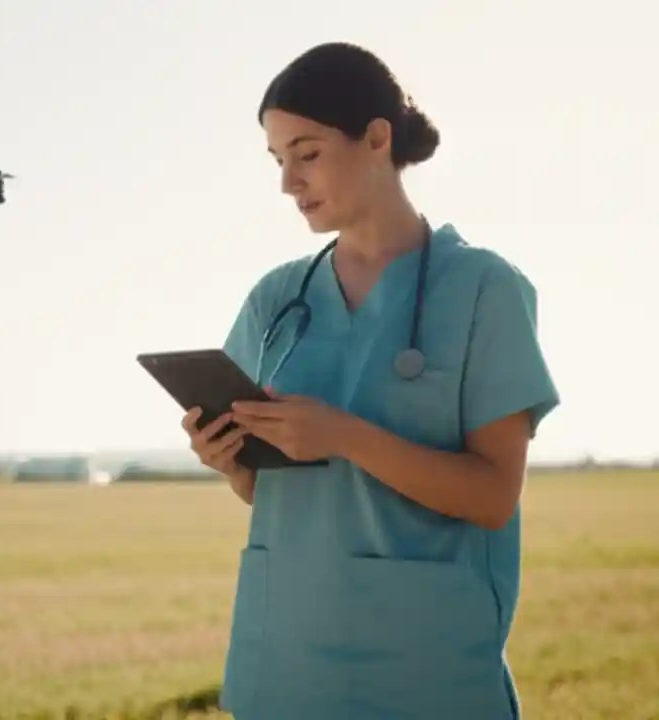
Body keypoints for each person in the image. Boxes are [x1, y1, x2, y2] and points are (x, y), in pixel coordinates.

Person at [181, 42, 559, 719]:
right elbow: (279, 493)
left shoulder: (484, 289)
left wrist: (343, 435)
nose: (288, 182)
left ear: (378, 138)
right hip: (288, 662)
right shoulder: (277, 299)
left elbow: (493, 496)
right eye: (277, 160)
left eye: (307, 153)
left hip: (425, 669)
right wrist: (233, 463)